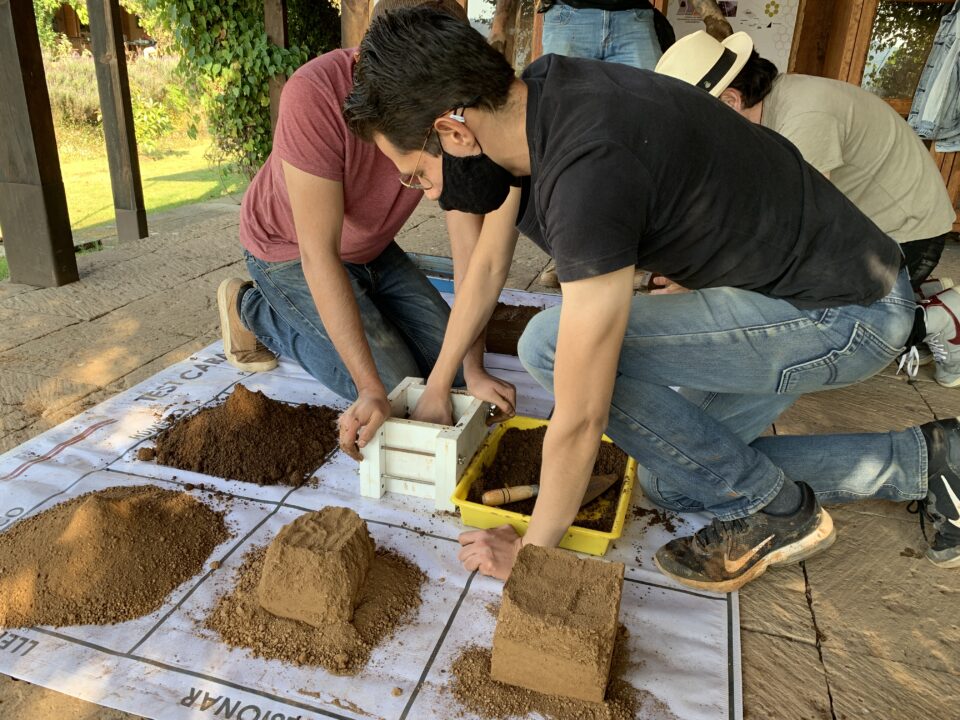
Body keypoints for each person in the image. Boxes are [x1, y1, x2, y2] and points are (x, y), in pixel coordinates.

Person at [342, 8, 960, 592]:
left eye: (414, 174)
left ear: (452, 130)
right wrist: (436, 387)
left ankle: (775, 508)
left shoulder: (587, 170)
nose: (423, 195)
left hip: (845, 313)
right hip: (790, 295)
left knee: (551, 344)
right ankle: (926, 459)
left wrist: (535, 550)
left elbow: (583, 406)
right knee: (673, 477)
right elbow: (486, 266)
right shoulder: (535, 100)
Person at [216, 0, 517, 459]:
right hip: (289, 250)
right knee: (395, 389)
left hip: (373, 248)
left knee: (449, 378)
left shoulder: (450, 103)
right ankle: (252, 309)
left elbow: (471, 255)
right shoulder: (314, 93)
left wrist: (472, 370)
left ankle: (373, 311)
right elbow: (318, 255)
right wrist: (370, 389)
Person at [654, 30, 960, 387]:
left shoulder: (804, 117)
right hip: (862, 223)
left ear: (731, 100)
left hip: (907, 235)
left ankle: (935, 317)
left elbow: (796, 234)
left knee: (816, 337)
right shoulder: (767, 111)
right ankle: (916, 294)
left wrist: (702, 280)